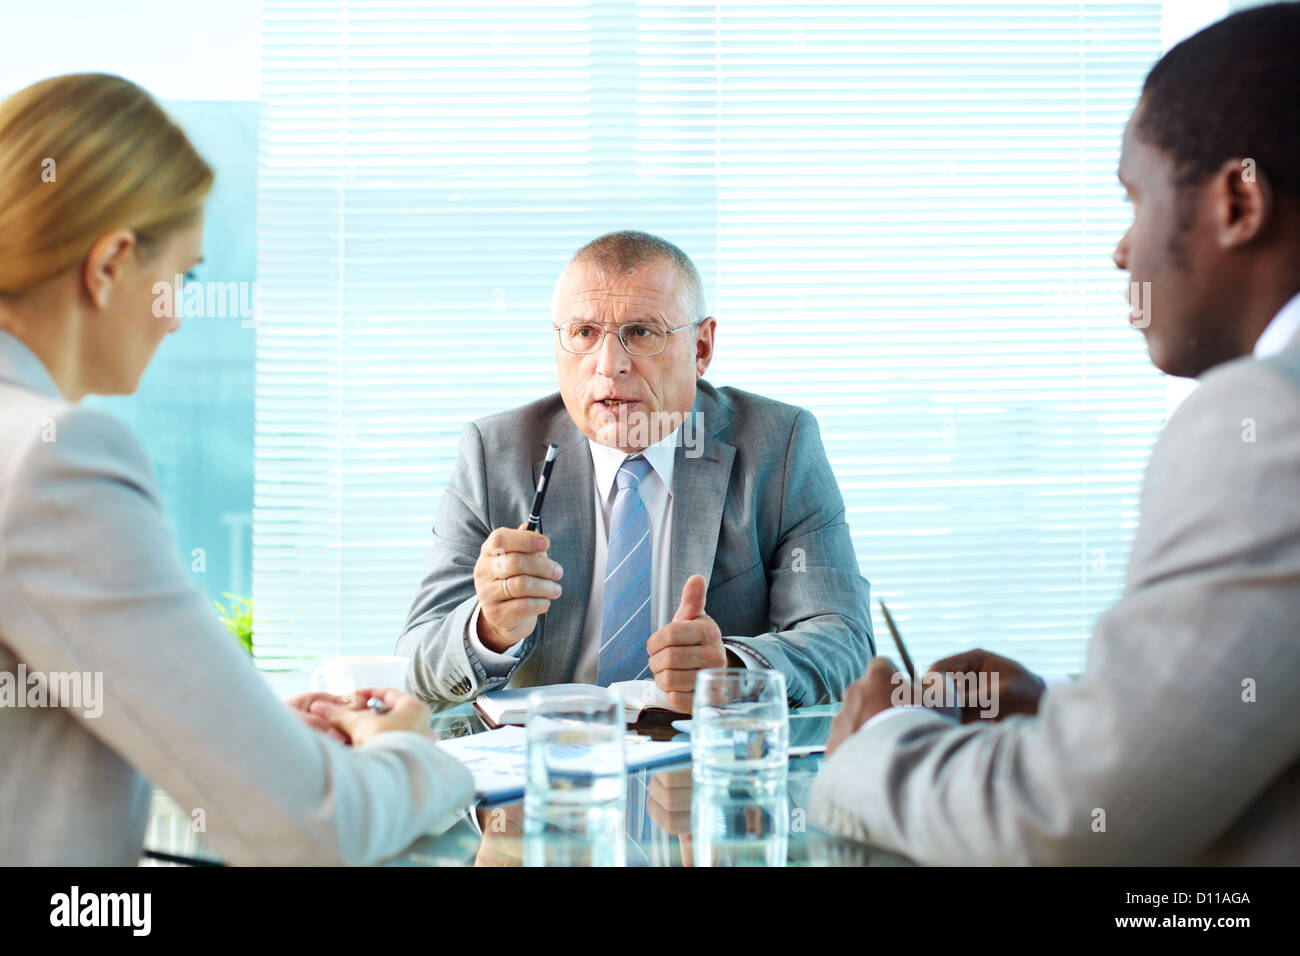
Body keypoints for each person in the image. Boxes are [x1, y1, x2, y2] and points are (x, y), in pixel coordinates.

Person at [812, 3, 1300, 865]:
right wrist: (1081, 713)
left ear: (1238, 201)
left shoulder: (1261, 424)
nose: (1121, 251)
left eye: (1134, 198)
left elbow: (1063, 821)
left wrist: (874, 748)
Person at [0, 73, 473, 866]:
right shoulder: (58, 461)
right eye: (180, 277)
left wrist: (239, 730)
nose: (180, 315)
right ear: (113, 262)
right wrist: (415, 754)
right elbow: (307, 829)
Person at [399, 231, 873, 713]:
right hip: (548, 761)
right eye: (584, 333)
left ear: (701, 348)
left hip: (705, 761)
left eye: (642, 333)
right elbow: (412, 661)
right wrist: (489, 629)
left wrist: (732, 669)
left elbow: (844, 639)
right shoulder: (494, 453)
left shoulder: (779, 444)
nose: (609, 366)